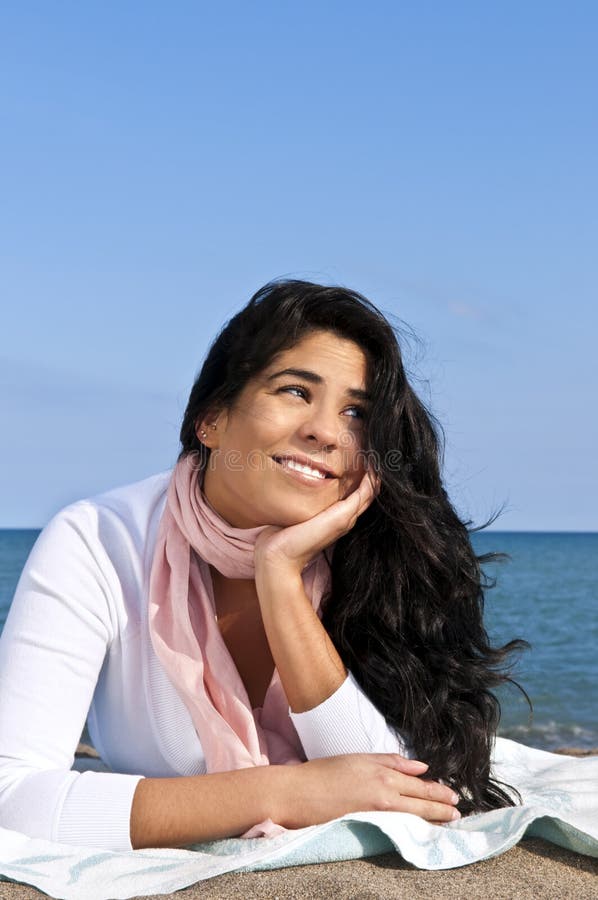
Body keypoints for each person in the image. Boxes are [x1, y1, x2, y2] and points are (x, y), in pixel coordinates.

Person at [0, 279, 527, 852]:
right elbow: (11, 798)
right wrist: (288, 791)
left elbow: (404, 787)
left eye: (356, 412)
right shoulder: (99, 540)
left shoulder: (382, 555)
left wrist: (280, 577)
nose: (325, 431)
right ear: (211, 419)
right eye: (296, 391)